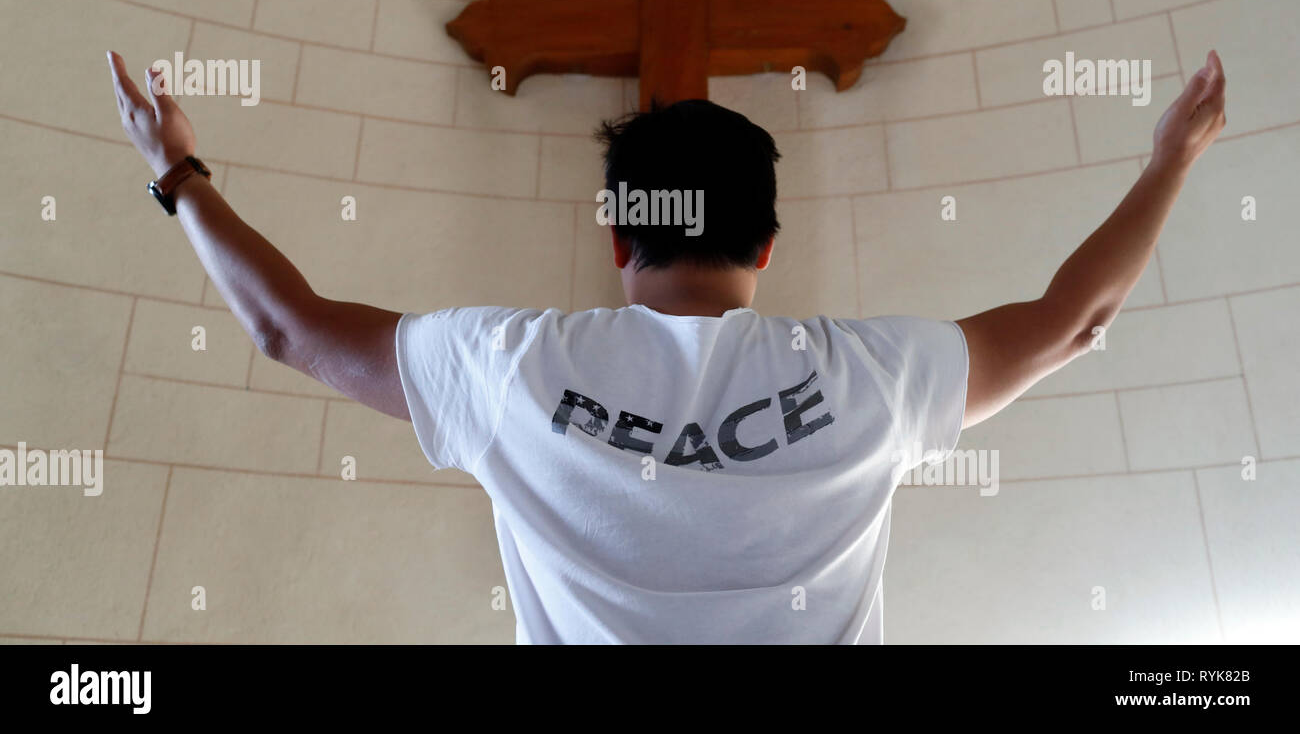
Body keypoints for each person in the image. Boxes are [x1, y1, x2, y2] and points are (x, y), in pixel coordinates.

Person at [106, 48, 1227, 643]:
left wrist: (179, 172)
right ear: (768, 242)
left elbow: (287, 326)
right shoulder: (872, 375)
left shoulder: (508, 365)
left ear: (615, 233)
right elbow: (1075, 318)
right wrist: (1169, 159)